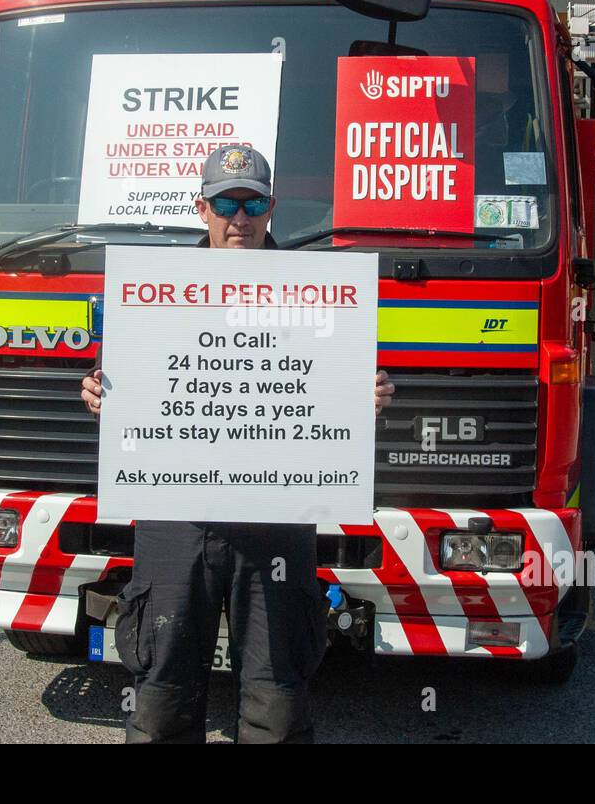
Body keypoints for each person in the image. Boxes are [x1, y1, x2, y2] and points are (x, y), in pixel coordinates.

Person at [81, 144, 394, 743]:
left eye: (252, 203)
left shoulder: (321, 290)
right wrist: (99, 391)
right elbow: (127, 380)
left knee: (276, 698)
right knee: (162, 695)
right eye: (226, 202)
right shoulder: (154, 291)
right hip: (176, 523)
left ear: (272, 208)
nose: (239, 217)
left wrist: (367, 397)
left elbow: (330, 389)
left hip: (274, 525)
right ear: (201, 207)